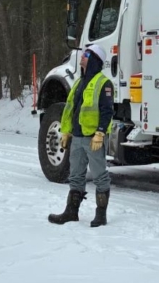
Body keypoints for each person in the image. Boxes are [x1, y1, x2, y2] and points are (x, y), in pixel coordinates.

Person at [48, 43, 114, 227]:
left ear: (94, 59)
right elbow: (71, 109)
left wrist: (100, 133)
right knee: (76, 175)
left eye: (86, 55)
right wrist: (66, 132)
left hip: (93, 138)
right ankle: (71, 212)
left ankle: (101, 215)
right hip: (77, 137)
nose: (83, 57)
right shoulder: (79, 83)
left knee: (100, 176)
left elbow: (107, 111)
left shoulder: (103, 83)